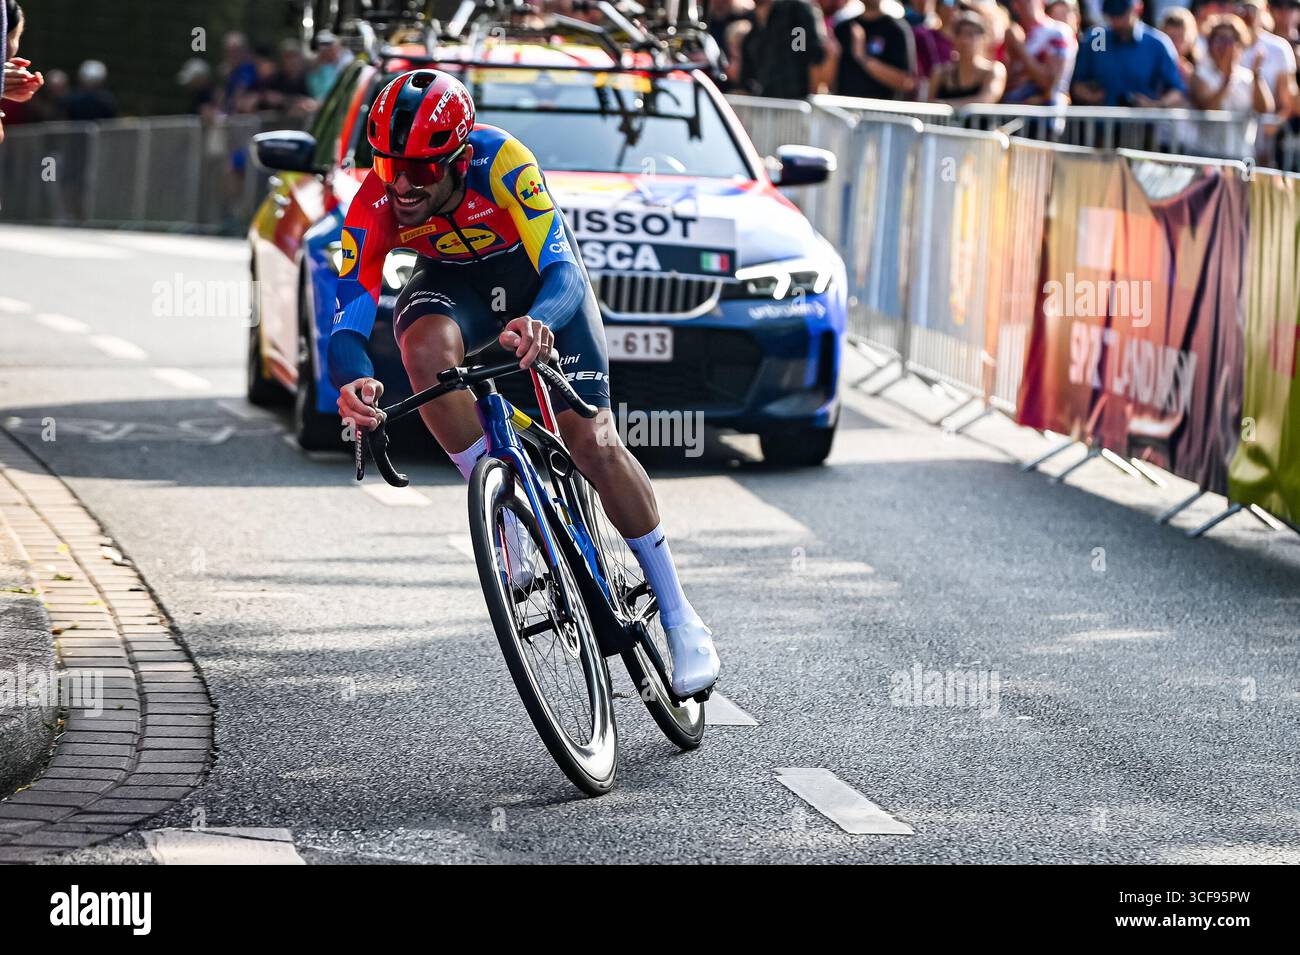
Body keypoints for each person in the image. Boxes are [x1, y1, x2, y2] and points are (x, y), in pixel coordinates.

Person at [329, 70, 722, 698]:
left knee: (592, 443)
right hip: (455, 286)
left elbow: (563, 267)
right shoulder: (373, 204)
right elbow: (348, 318)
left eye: (422, 171)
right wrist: (353, 381)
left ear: (458, 159)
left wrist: (542, 321)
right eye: (387, 164)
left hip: (540, 290)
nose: (401, 184)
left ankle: (680, 617)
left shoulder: (504, 162)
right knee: (420, 343)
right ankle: (503, 502)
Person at [1071, 0, 1187, 106]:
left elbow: (1178, 90)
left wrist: (1155, 105)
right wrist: (1089, 96)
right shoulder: (1096, 38)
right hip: (1100, 126)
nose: (1116, 21)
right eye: (1111, 14)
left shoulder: (1157, 43)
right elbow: (1076, 84)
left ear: (1137, 9)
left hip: (1143, 126)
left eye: (1121, 14)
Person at [739, 0, 828, 98]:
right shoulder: (751, 19)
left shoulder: (797, 10)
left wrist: (811, 99)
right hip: (766, 103)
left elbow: (814, 57)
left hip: (799, 102)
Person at [834, 0, 918, 98]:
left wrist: (863, 57)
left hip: (882, 110)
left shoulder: (897, 29)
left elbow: (906, 82)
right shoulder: (843, 29)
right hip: (843, 109)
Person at [1002, 0, 1076, 104]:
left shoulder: (1059, 32)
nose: (1024, 3)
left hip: (1043, 114)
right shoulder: (1013, 33)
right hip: (1012, 109)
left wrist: (1019, 47)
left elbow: (1049, 83)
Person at [930, 10, 1006, 102]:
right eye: (960, 33)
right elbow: (930, 105)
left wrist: (945, 106)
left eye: (971, 34)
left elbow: (986, 100)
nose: (964, 40)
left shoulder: (994, 70)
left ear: (984, 38)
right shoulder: (940, 74)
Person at [1160, 5, 1201, 87]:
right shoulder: (1156, 63)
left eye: (1181, 38)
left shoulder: (1201, 65)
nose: (1176, 44)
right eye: (1171, 38)